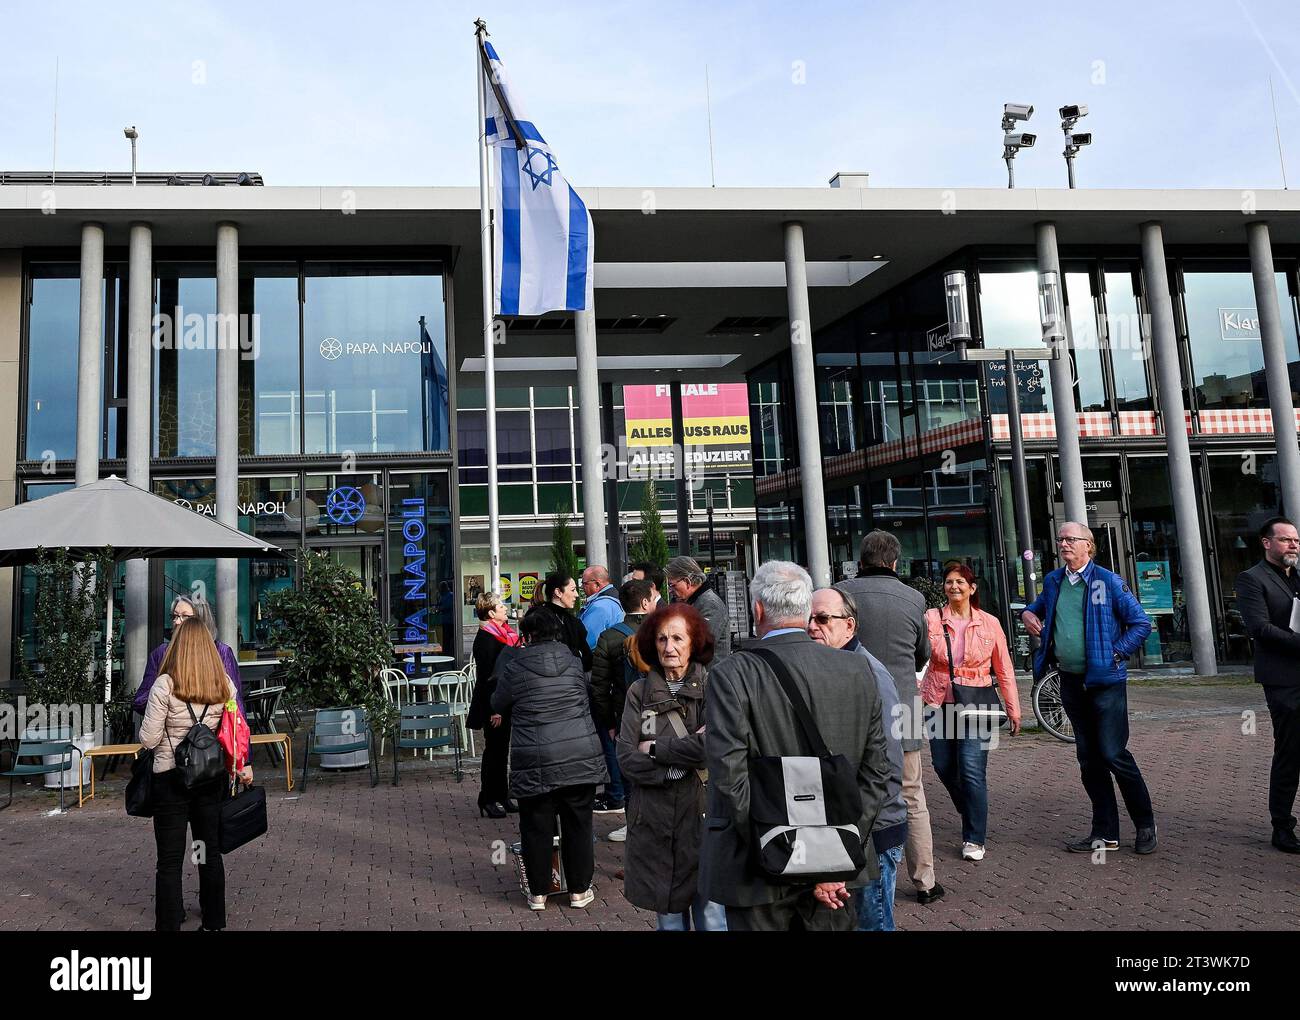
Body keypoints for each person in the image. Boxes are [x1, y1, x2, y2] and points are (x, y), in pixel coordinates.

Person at [701, 560, 891, 931]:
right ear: (806, 612)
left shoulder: (731, 674)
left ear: (757, 610)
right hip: (837, 870)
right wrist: (831, 859)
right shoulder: (857, 670)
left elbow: (729, 778)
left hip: (757, 871)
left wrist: (785, 856)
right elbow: (876, 774)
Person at [1022, 521, 1156, 855]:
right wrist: (1027, 614)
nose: (1064, 543)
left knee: (1113, 753)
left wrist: (1115, 653)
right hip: (1069, 680)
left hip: (1105, 682)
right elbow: (1035, 610)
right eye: (1061, 539)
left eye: (1071, 539)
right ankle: (1105, 832)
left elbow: (1141, 624)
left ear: (1089, 546)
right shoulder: (1054, 581)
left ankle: (1145, 825)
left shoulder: (1107, 581)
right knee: (1089, 760)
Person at [835, 530, 942, 905]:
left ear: (859, 560)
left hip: (850, 709)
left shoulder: (840, 593)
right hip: (903, 708)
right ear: (895, 562)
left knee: (847, 790)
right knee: (911, 794)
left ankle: (847, 871)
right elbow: (921, 653)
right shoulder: (914, 598)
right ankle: (925, 880)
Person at [139, 617, 253, 932]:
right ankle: (214, 921)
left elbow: (148, 739)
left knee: (170, 861)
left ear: (176, 647)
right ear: (207, 646)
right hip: (209, 778)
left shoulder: (164, 684)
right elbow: (233, 730)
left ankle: (170, 921)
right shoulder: (223, 683)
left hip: (170, 779)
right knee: (206, 851)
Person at [617, 603, 725, 930]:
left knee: (711, 916)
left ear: (694, 643)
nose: (669, 647)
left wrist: (656, 749)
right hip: (655, 818)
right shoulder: (639, 692)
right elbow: (625, 757)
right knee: (669, 917)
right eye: (662, 639)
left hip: (703, 814)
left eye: (678, 638)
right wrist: (674, 768)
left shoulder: (713, 687)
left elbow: (712, 749)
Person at [491, 606, 607, 911]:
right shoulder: (573, 661)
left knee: (535, 825)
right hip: (579, 754)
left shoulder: (515, 665)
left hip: (535, 757)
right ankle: (579, 891)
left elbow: (498, 701)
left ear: (526, 635)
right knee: (579, 825)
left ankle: (539, 893)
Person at [808, 587, 908, 931]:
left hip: (872, 833)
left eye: (822, 619)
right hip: (850, 829)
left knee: (873, 924)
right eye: (808, 618)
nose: (812, 626)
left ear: (848, 626)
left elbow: (889, 764)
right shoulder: (834, 666)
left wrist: (860, 828)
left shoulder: (869, 673)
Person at [921, 564, 1022, 863]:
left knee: (972, 770)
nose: (954, 587)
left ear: (972, 588)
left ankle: (974, 837)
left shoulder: (990, 623)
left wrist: (1014, 709)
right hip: (937, 701)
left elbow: (1003, 668)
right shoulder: (931, 618)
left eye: (960, 582)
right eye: (949, 582)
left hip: (978, 701)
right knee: (942, 766)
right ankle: (972, 806)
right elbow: (918, 655)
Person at [1234, 516, 1300, 853]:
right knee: (1291, 750)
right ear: (1267, 543)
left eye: (1296, 541)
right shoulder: (1251, 579)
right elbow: (1259, 628)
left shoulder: (1299, 576)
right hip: (1284, 679)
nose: (1293, 545)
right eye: (1286, 540)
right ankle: (1282, 826)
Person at [591, 578, 656, 833]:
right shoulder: (663, 631)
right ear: (644, 602)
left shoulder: (609, 637)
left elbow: (599, 687)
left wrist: (609, 723)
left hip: (626, 716)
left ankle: (635, 830)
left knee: (630, 775)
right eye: (651, 599)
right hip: (662, 715)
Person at [135, 595, 245, 716]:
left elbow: (235, 704)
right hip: (172, 732)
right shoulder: (162, 653)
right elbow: (140, 701)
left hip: (213, 733)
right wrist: (166, 698)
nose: (177, 621)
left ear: (201, 621)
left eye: (184, 616)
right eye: (175, 616)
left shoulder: (221, 652)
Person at [467, 592, 521, 819]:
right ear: (491, 613)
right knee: (493, 751)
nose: (505, 608)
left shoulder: (503, 635)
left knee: (502, 750)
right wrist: (495, 709)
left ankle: (502, 794)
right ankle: (488, 798)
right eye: (501, 606)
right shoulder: (487, 640)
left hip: (504, 702)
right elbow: (489, 678)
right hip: (494, 704)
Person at [666, 555, 731, 659]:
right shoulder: (693, 601)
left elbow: (700, 644)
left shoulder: (710, 604)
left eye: (672, 585)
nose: (670, 590)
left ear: (687, 581)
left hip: (709, 672)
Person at [532, 572, 592, 671]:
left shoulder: (574, 622)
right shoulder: (540, 620)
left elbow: (588, 659)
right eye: (573, 590)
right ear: (558, 592)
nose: (576, 595)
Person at [580, 565, 624, 649]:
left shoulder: (599, 607)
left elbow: (586, 642)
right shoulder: (613, 599)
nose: (582, 587)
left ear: (597, 584)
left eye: (585, 583)